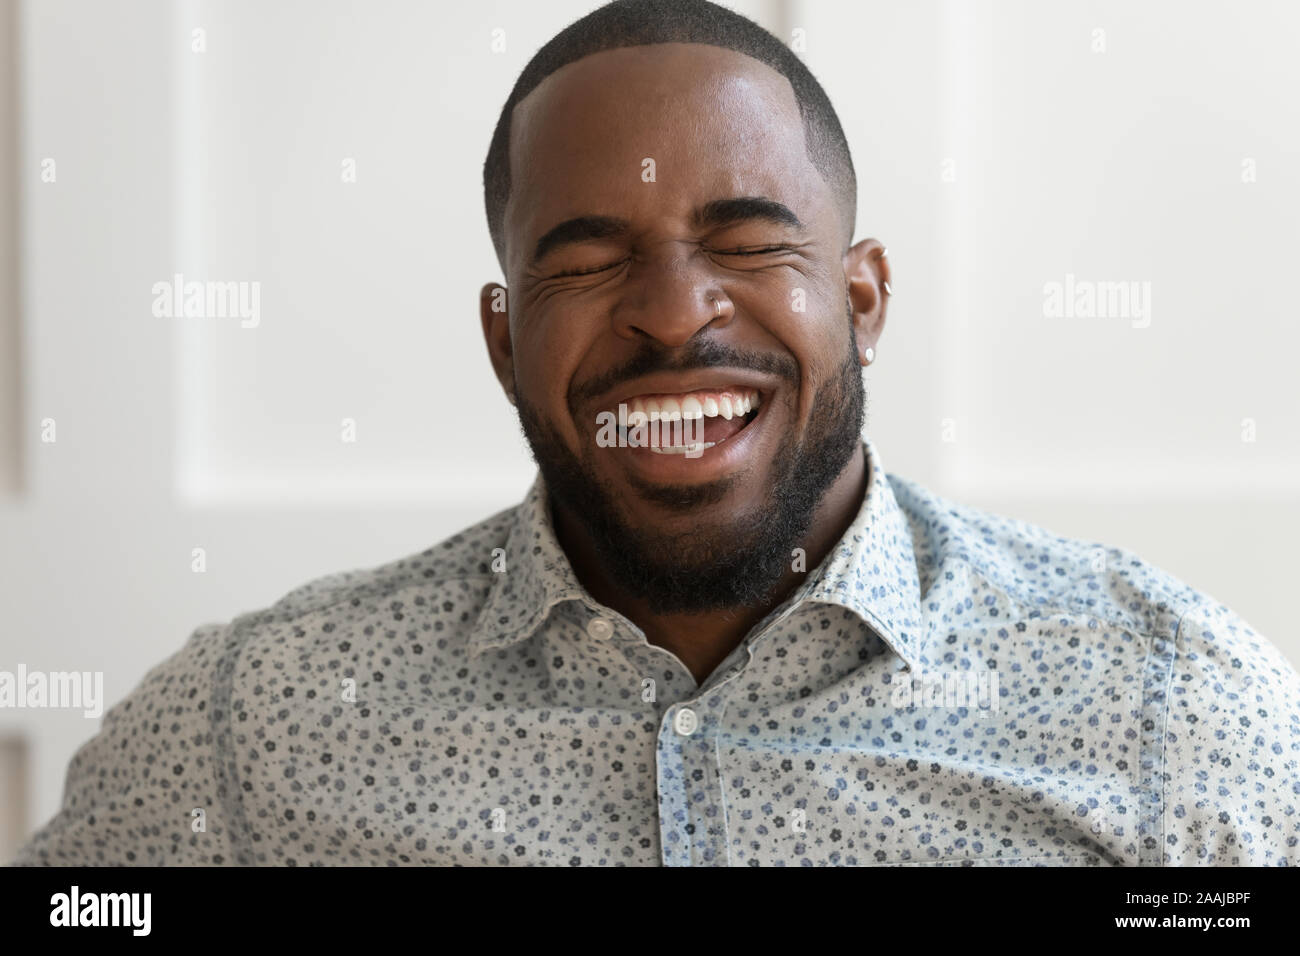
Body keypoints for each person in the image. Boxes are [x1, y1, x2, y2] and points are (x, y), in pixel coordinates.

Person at [14, 0, 1299, 866]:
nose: (674, 315)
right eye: (585, 262)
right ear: (503, 338)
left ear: (860, 299)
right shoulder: (248, 723)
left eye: (746, 242)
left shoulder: (1170, 709)